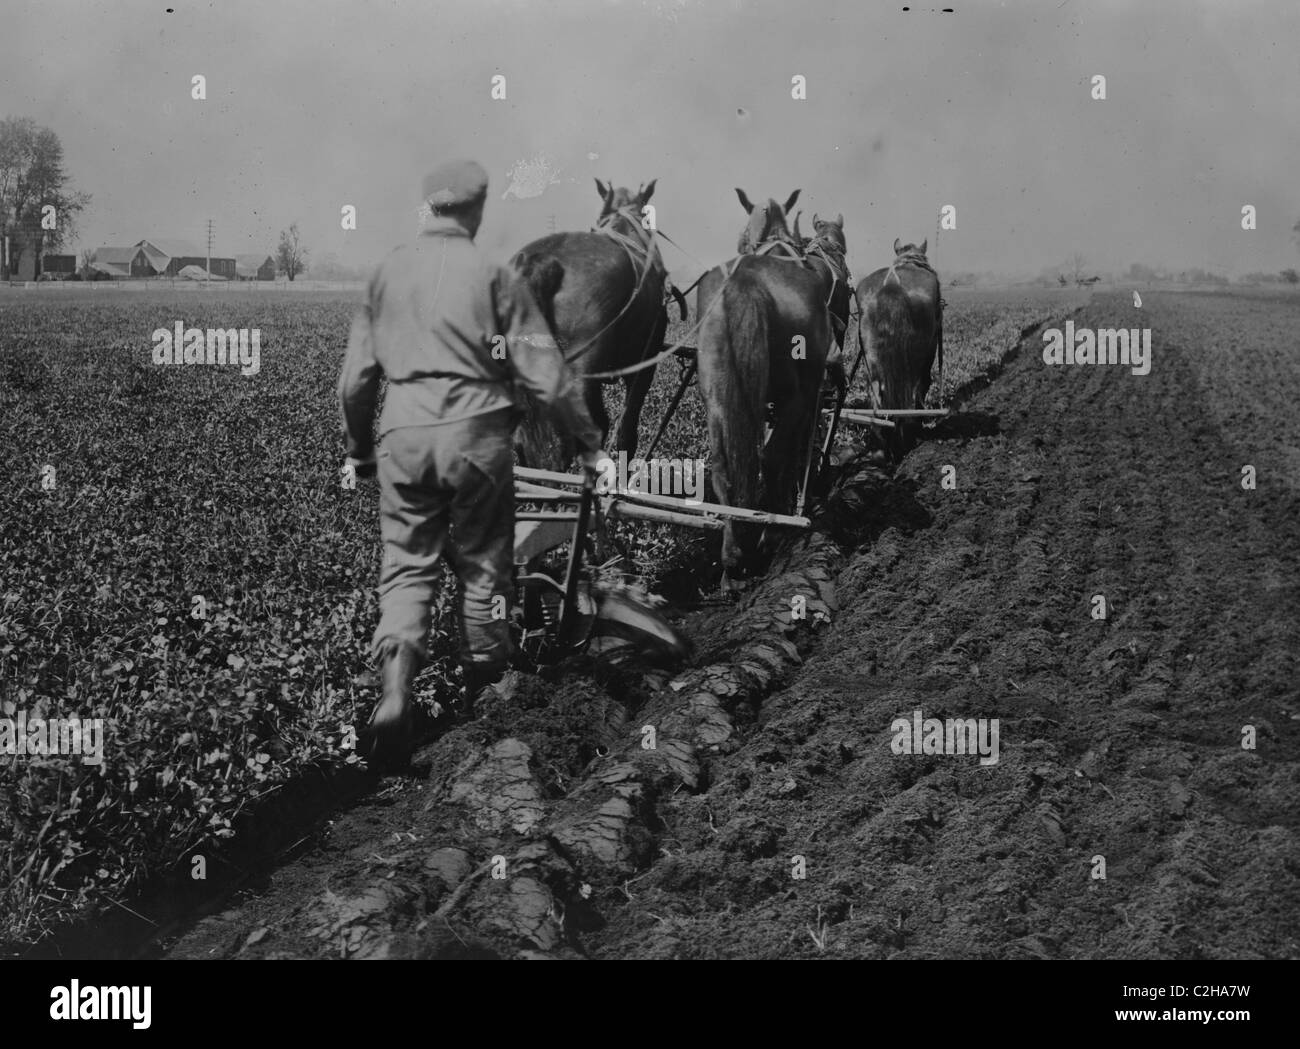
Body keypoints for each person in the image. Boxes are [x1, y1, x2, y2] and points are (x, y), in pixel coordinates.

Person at [338, 158, 607, 768]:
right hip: (475, 438)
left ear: (428, 205)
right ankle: (484, 696)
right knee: (485, 566)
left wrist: (358, 452)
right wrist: (589, 445)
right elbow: (548, 376)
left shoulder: (387, 272)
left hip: (403, 433)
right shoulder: (494, 275)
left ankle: (395, 693)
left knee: (407, 569)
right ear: (478, 209)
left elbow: (355, 380)